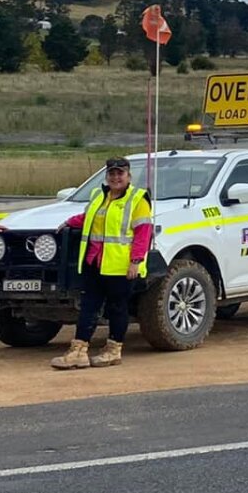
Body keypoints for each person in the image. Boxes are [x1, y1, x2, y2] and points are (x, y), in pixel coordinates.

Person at [50, 155, 153, 370]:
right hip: (94, 262)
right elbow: (89, 218)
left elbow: (143, 233)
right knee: (88, 307)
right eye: (112, 174)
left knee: (117, 308)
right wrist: (69, 222)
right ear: (107, 176)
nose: (115, 178)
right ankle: (78, 351)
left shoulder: (138, 199)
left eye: (120, 173)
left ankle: (113, 350)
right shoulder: (99, 195)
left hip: (120, 266)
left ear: (128, 176)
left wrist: (135, 261)